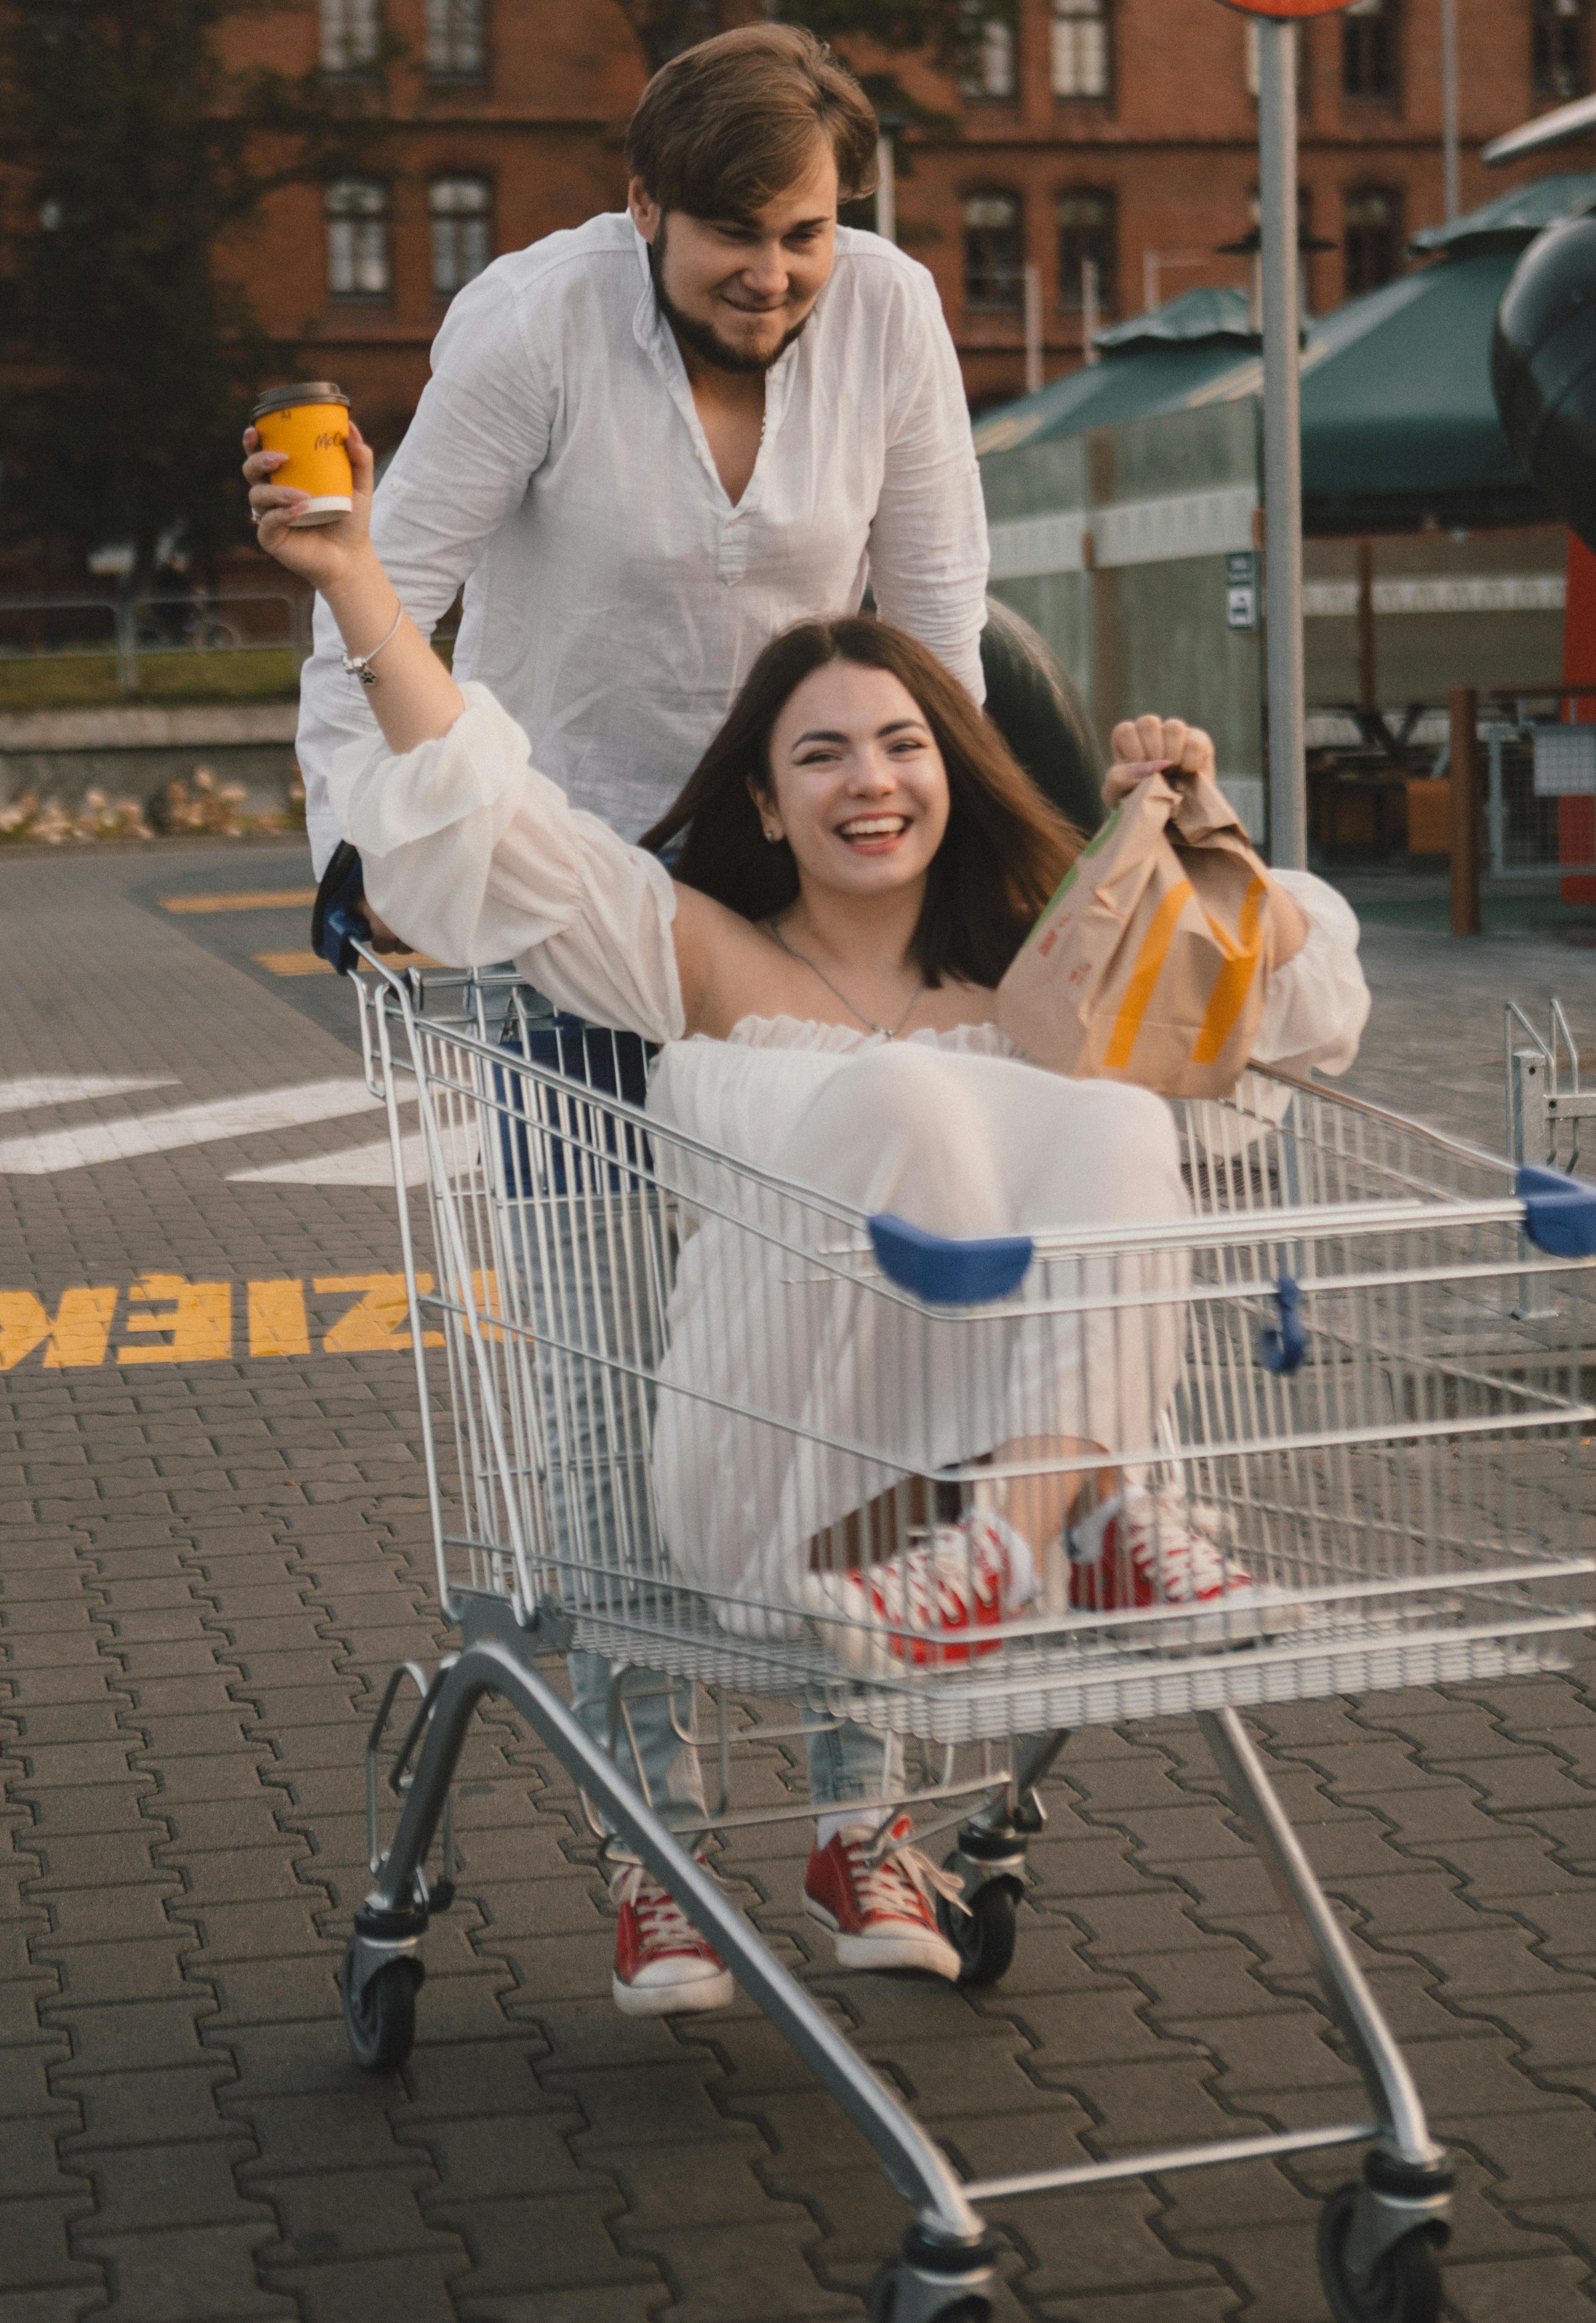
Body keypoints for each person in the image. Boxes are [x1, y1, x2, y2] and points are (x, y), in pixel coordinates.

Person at [249, 425, 1372, 2018]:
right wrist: (360, 579)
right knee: (917, 1102)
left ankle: (1038, 1559)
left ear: (950, 769)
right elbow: (483, 823)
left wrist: (1194, 832)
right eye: (824, 755)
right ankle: (717, 1819)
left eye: (903, 743)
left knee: (1117, 1105)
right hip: (758, 1489)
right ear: (765, 809)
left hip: (952, 1533)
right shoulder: (694, 953)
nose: (874, 781)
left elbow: (1275, 1009)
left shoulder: (1029, 986)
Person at [275, 21, 990, 876]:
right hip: (559, 862)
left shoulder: (890, 314)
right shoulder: (538, 320)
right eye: (734, 232)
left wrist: (963, 853)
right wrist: (352, 854)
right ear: (645, 204)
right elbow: (383, 594)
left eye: (805, 235)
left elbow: (937, 625)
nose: (771, 277)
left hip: (802, 859)